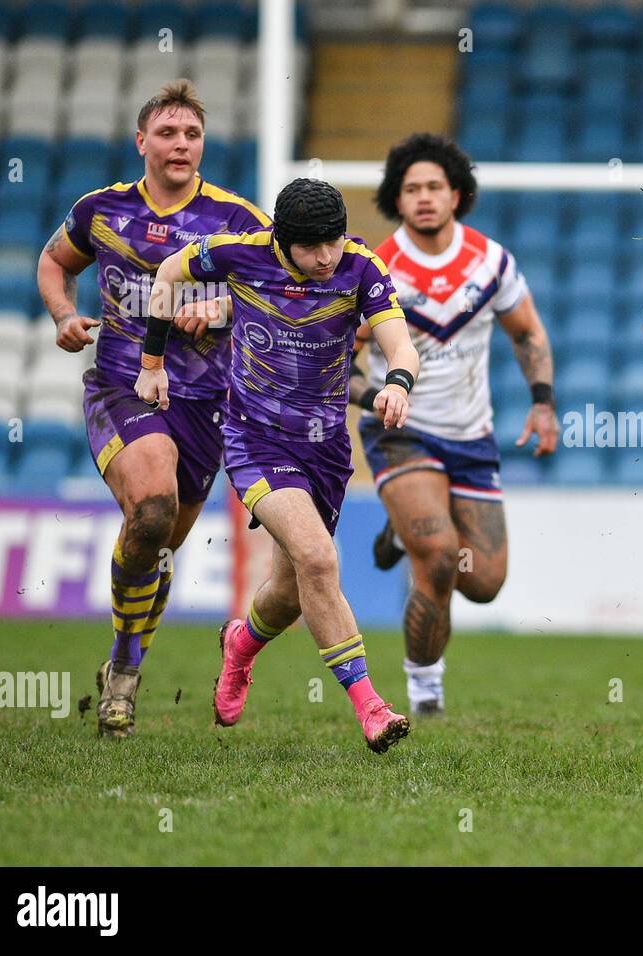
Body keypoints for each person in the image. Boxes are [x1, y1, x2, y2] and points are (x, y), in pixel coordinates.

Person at [134, 178, 421, 753]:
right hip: (254, 439)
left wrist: (397, 383)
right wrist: (153, 362)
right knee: (319, 557)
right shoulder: (240, 252)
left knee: (290, 592)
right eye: (313, 248)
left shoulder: (359, 267)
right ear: (281, 241)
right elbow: (168, 271)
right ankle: (371, 707)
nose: (326, 257)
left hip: (326, 449)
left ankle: (239, 646)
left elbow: (401, 343)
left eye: (334, 243)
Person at [36, 79, 268, 738]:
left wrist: (220, 307)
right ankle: (128, 678)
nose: (181, 144)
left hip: (207, 404)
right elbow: (56, 265)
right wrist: (61, 315)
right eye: (167, 132)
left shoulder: (238, 221)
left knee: (158, 545)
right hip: (125, 388)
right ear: (142, 141)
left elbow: (284, 296)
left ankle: (121, 663)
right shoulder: (101, 211)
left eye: (192, 134)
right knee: (154, 503)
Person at [350, 133, 558, 716]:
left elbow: (528, 333)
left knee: (484, 582)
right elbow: (337, 366)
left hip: (472, 436)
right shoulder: (375, 268)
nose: (422, 198)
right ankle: (424, 684)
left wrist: (543, 403)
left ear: (456, 193)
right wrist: (378, 398)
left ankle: (399, 534)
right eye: (410, 188)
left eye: (433, 187)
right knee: (439, 558)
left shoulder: (491, 261)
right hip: (402, 432)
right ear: (397, 197)